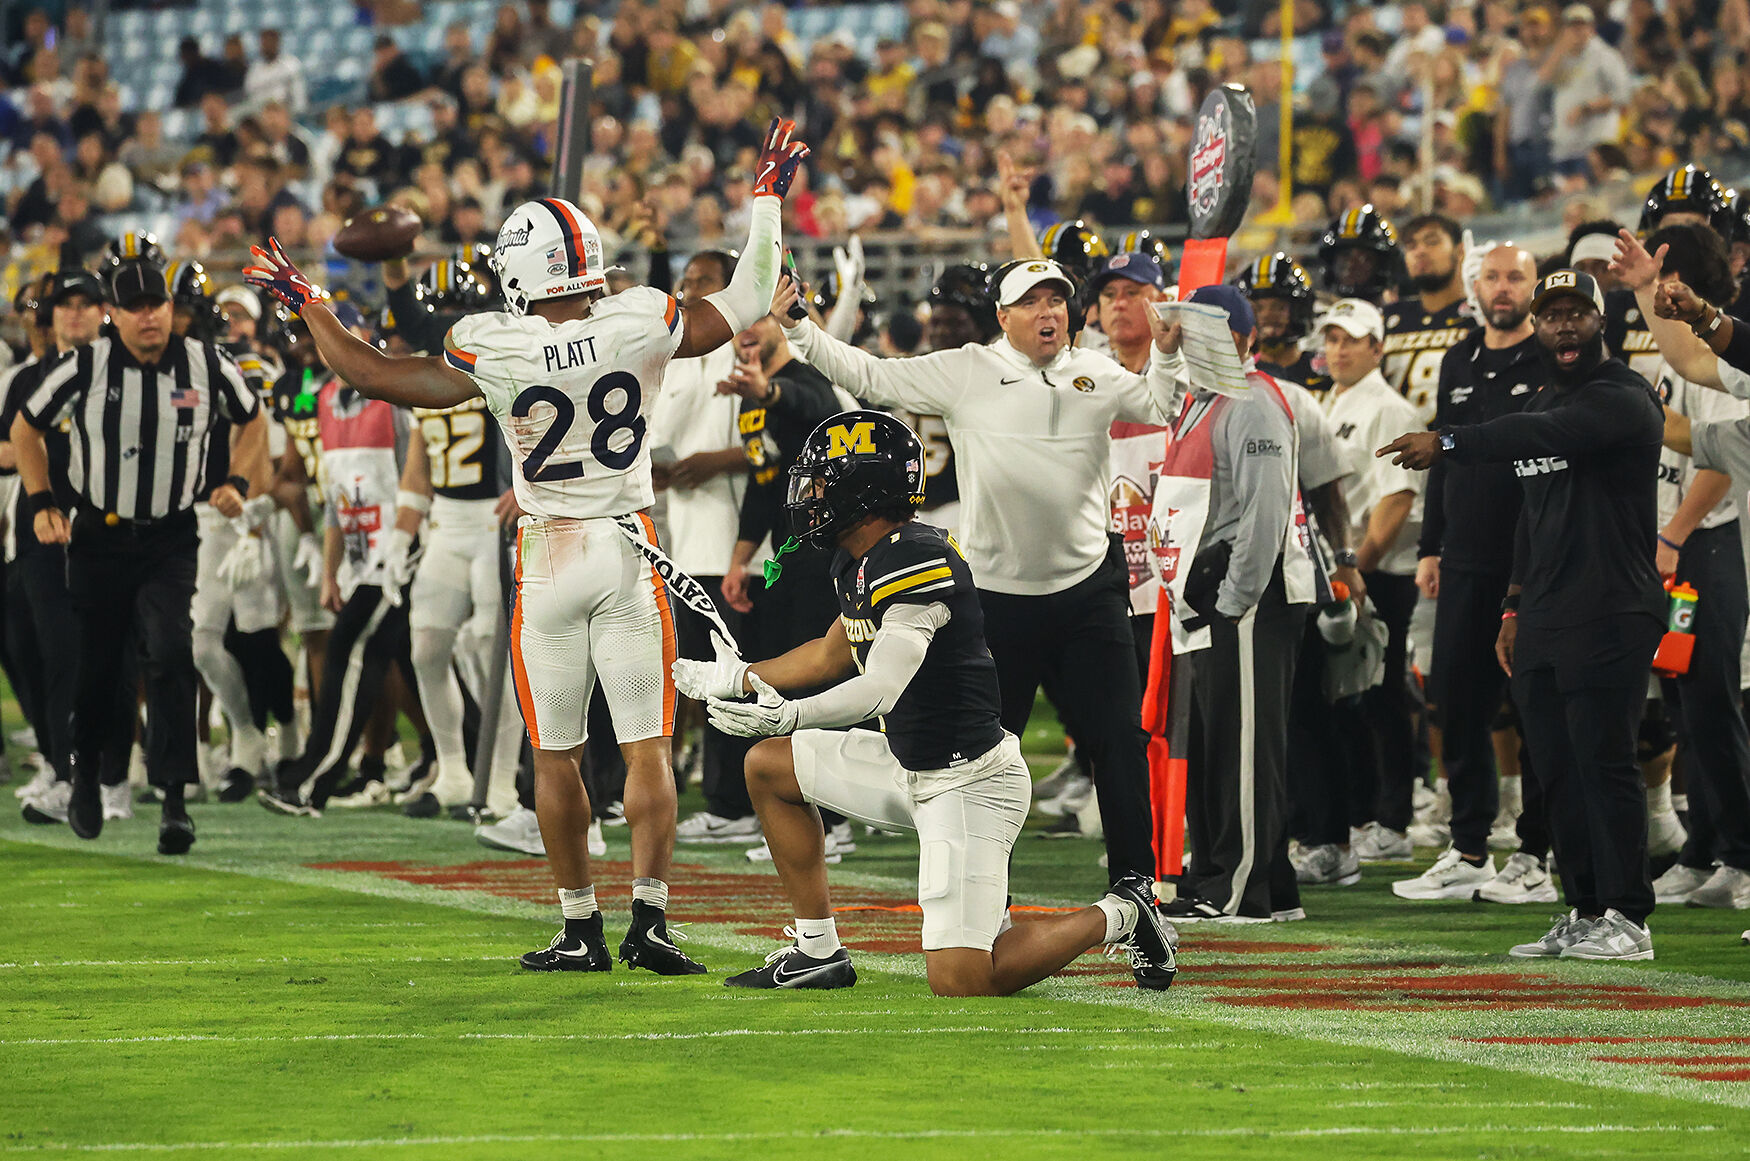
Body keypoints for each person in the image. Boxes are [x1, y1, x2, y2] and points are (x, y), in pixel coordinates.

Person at [244, 118, 809, 975]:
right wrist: (765, 198)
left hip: (546, 556)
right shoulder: (635, 319)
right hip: (627, 544)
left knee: (556, 754)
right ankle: (649, 920)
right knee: (646, 748)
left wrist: (312, 304)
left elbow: (377, 375)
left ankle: (580, 924)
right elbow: (746, 297)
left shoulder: (491, 341)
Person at [676, 408, 1178, 995]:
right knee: (768, 766)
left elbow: (879, 687)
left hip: (968, 784)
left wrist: (791, 713)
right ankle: (816, 951)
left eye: (821, 483)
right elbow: (829, 655)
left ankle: (1125, 911)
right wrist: (734, 678)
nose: (807, 497)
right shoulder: (862, 556)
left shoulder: (915, 557)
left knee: (964, 980)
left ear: (864, 492)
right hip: (907, 764)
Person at [774, 256, 1186, 890]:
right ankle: (989, 904)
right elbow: (871, 375)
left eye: (1056, 301)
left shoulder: (1097, 373)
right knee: (985, 756)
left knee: (1120, 746)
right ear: (1003, 317)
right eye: (1032, 303)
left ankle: (1139, 899)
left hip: (1089, 591)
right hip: (997, 597)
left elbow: (1163, 403)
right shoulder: (968, 369)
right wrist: (801, 329)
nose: (1048, 313)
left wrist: (1168, 354)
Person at [1379, 269, 1665, 961]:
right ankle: (1585, 908)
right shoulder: (1541, 398)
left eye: (1577, 313)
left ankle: (1630, 916)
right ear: (1536, 327)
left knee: (1603, 763)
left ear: (1602, 322)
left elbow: (1548, 430)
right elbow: (1532, 523)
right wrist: (1511, 605)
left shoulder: (1623, 397)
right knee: (1554, 769)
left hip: (1611, 607)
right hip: (1543, 610)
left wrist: (1448, 440)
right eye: (1551, 315)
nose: (1564, 325)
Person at [12, 256, 269, 855]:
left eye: (156, 304)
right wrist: (42, 502)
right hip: (100, 536)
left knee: (173, 650)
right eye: (135, 307)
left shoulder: (205, 363)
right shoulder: (86, 365)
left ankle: (174, 798)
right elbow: (27, 428)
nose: (148, 316)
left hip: (170, 535)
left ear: (169, 309)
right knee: (99, 666)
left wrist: (240, 483)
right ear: (115, 315)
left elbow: (253, 420)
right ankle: (84, 777)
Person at [1147, 286, 1314, 923]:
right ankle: (1250, 877)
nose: (1198, 340)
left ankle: (1236, 886)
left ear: (1245, 337)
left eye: (1212, 329)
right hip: (1214, 596)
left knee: (1242, 746)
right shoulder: (1205, 398)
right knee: (1221, 743)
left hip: (1247, 597)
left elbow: (1266, 513)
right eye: (1192, 329)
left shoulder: (1250, 402)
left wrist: (1234, 599)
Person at [1394, 244, 1549, 904]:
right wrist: (1431, 545)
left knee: (1536, 708)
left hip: (1533, 558)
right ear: (1474, 287)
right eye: (1493, 276)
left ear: (1533, 288)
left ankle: (1538, 853)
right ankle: (1470, 848)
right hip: (1463, 558)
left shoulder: (1554, 360)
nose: (1504, 287)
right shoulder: (1459, 359)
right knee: (1456, 701)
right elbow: (1442, 456)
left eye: (1516, 276)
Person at [1319, 298, 1426, 862]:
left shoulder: (1388, 408)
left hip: (1376, 573)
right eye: (1332, 338)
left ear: (1377, 347)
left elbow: (1396, 499)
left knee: (1379, 699)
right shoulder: (1332, 402)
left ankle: (1391, 821)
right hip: (1347, 569)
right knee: (1347, 702)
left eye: (1351, 339)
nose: (1338, 348)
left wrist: (1356, 568)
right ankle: (1361, 813)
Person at [2, 270, 106, 823]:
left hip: (104, 525)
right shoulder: (28, 379)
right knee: (45, 650)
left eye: (86, 304)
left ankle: (107, 773)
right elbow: (11, 444)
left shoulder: (119, 374)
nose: (74, 314)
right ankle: (62, 766)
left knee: (111, 652)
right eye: (65, 305)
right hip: (39, 529)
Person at [1382, 214, 1478, 425]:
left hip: (1459, 447)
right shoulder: (1388, 318)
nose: (1420, 251)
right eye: (1411, 245)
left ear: (1460, 250)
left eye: (1432, 242)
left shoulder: (1480, 316)